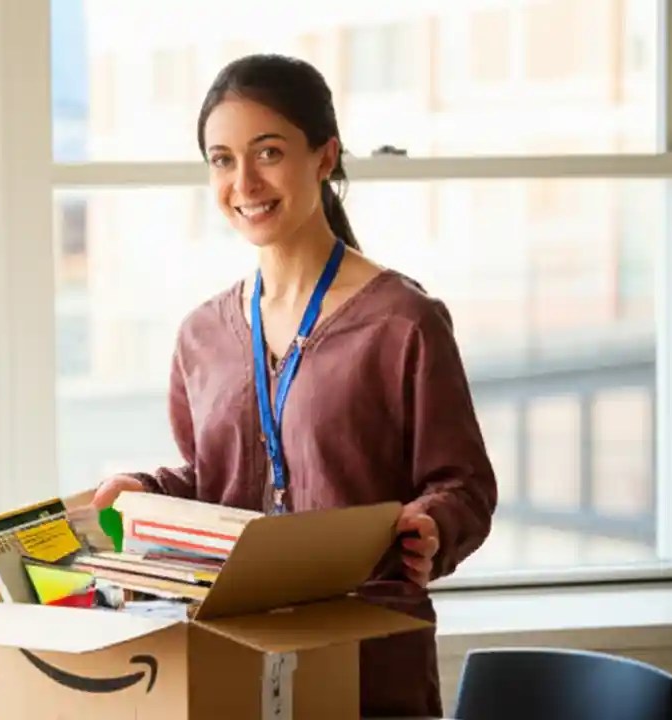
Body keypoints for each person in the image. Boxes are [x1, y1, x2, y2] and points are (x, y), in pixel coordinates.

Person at [88, 53, 497, 718]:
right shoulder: (202, 334)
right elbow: (215, 480)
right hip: (233, 657)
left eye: (268, 152)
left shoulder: (404, 321)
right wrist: (147, 490)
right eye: (222, 160)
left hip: (367, 663)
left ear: (325, 156)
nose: (244, 182)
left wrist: (434, 525)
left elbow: (465, 485)